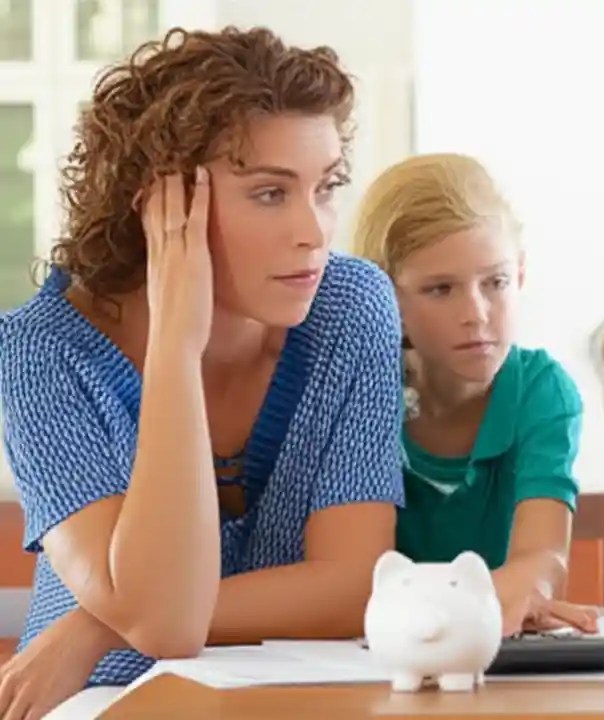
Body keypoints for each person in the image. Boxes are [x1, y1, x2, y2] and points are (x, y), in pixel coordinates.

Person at [0, 26, 405, 716]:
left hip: (299, 692)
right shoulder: (40, 351)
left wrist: (94, 624)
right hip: (108, 698)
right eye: (271, 194)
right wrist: (175, 352)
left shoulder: (351, 306)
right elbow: (165, 625)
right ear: (160, 203)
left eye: (327, 186)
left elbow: (355, 585)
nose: (315, 230)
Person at [352, 153, 597, 637]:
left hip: (493, 658)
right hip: (376, 657)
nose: (477, 313)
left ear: (520, 275)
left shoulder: (541, 391)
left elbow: (542, 559)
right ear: (388, 298)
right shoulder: (361, 389)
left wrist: (519, 593)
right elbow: (353, 578)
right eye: (442, 289)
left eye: (496, 282)